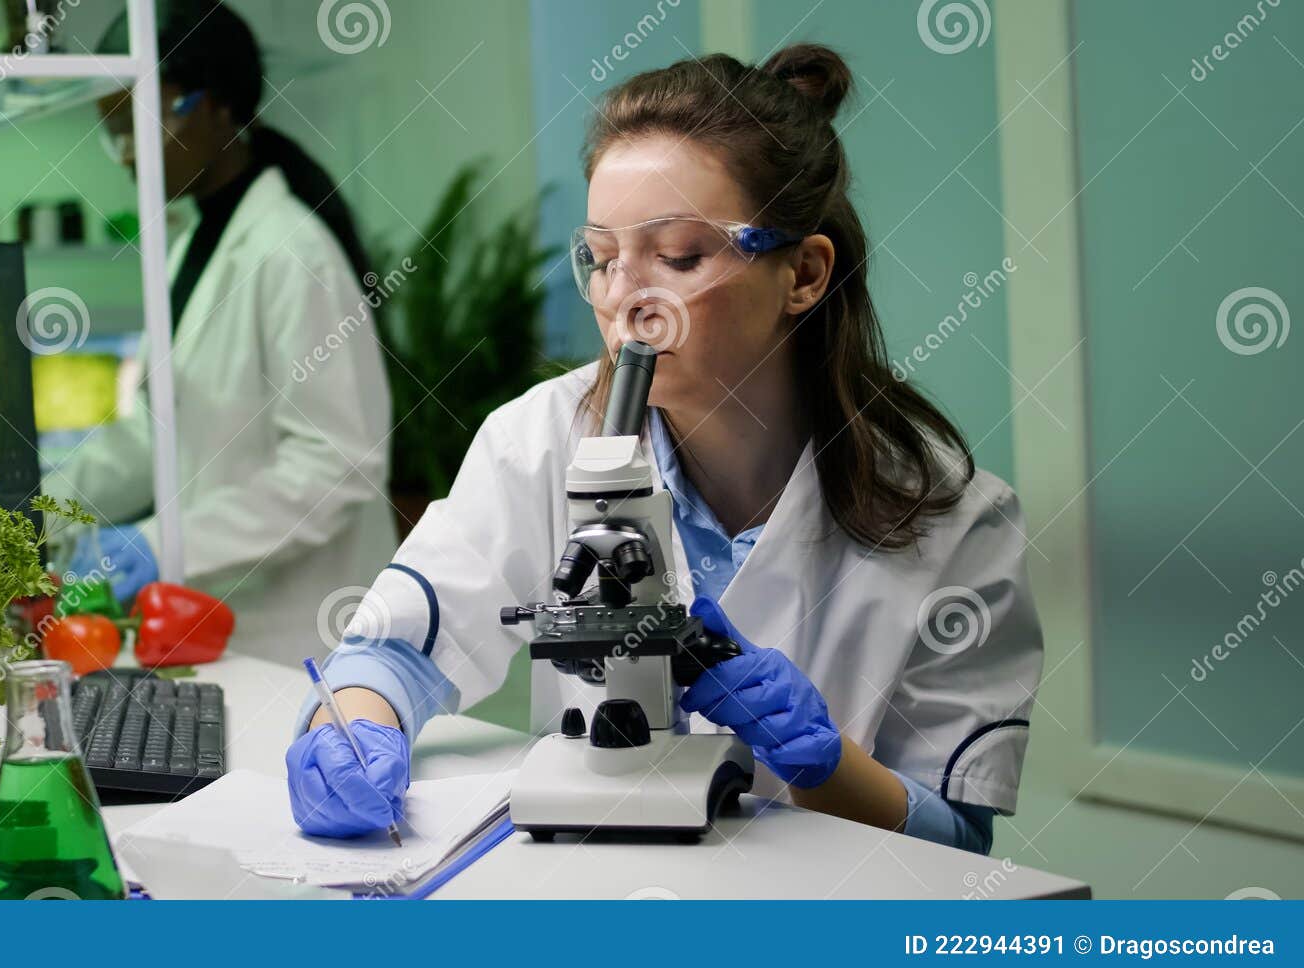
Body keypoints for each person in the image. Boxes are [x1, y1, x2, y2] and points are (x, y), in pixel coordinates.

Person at [283, 46, 1043, 854]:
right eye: (603, 259)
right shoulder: (538, 440)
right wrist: (355, 733)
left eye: (679, 256)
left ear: (803, 274)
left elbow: (955, 843)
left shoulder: (954, 520)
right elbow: (394, 653)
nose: (625, 300)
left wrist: (824, 763)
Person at [46, 1, 396, 662]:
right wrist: (45, 506)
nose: (127, 155)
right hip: (221, 626)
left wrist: (163, 542)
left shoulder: (293, 252)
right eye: (114, 135)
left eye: (142, 125)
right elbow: (158, 430)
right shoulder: (192, 246)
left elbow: (336, 464)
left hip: (304, 634)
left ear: (218, 106)